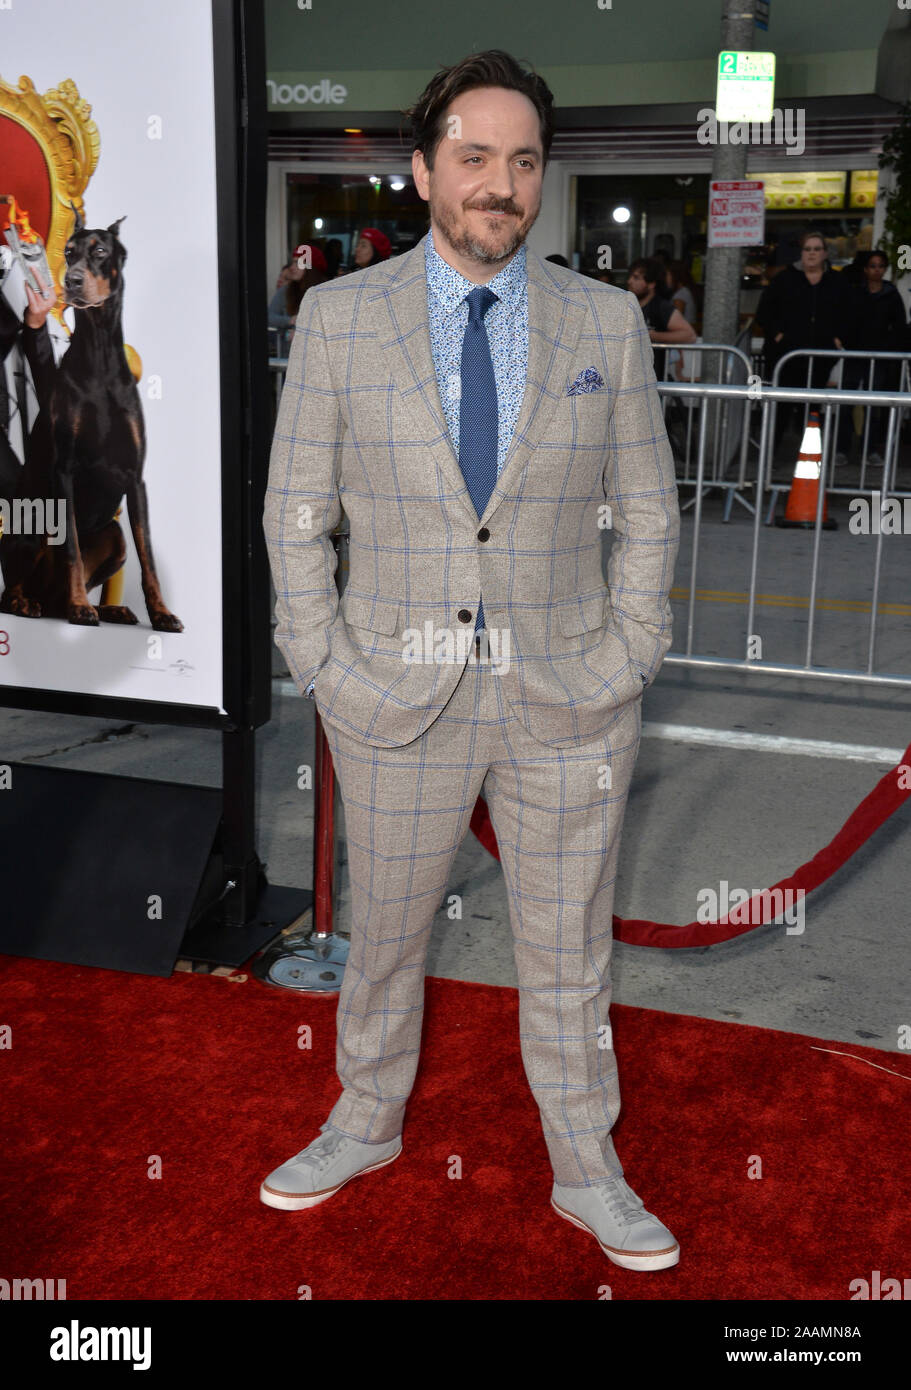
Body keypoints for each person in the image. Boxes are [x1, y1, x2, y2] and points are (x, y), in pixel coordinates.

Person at [263, 47, 681, 1273]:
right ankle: (363, 1118)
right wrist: (324, 667)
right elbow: (297, 514)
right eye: (474, 157)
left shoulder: (604, 320)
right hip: (393, 695)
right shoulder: (340, 319)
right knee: (385, 935)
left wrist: (631, 649)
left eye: (522, 161)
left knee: (570, 947)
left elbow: (649, 509)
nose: (500, 183)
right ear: (422, 169)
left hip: (569, 698)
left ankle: (585, 1163)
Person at [755, 229, 849, 436]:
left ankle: (809, 456)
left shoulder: (837, 282)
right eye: (807, 249)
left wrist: (838, 339)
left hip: (821, 356)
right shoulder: (784, 279)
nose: (812, 253)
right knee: (780, 407)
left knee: (812, 408)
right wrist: (779, 335)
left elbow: (849, 313)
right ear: (801, 252)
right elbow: (764, 313)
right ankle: (769, 456)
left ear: (825, 253)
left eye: (817, 249)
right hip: (785, 356)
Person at [836, 248, 907, 466]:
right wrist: (843, 342)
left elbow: (899, 326)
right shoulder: (856, 292)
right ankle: (842, 449)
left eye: (881, 266)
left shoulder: (891, 294)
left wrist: (890, 350)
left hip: (879, 356)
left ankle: (870, 450)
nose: (877, 270)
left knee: (873, 406)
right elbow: (846, 319)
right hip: (855, 354)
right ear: (866, 269)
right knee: (846, 404)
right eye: (873, 266)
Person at [626, 256, 696, 379]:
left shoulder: (661, 307)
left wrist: (653, 335)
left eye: (636, 278)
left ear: (652, 284)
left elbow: (689, 335)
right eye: (630, 276)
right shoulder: (626, 304)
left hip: (652, 378)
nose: (630, 281)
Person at [666, 260, 698, 326]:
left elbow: (676, 322)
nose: (666, 279)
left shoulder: (680, 295)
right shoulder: (685, 291)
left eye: (668, 275)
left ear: (675, 276)